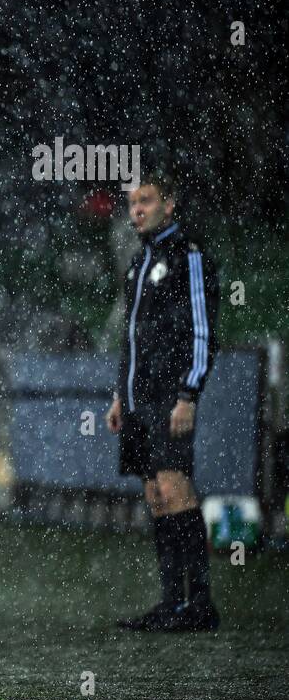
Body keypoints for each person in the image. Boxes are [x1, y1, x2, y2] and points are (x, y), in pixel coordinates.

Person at [106, 173, 219, 632]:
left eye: (146, 201)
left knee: (175, 490)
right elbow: (130, 339)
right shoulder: (138, 263)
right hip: (138, 400)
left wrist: (188, 394)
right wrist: (119, 394)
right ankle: (171, 602)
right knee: (155, 496)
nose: (137, 210)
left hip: (169, 398)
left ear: (169, 204)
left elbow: (202, 331)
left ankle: (200, 604)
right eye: (132, 203)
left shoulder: (188, 257)